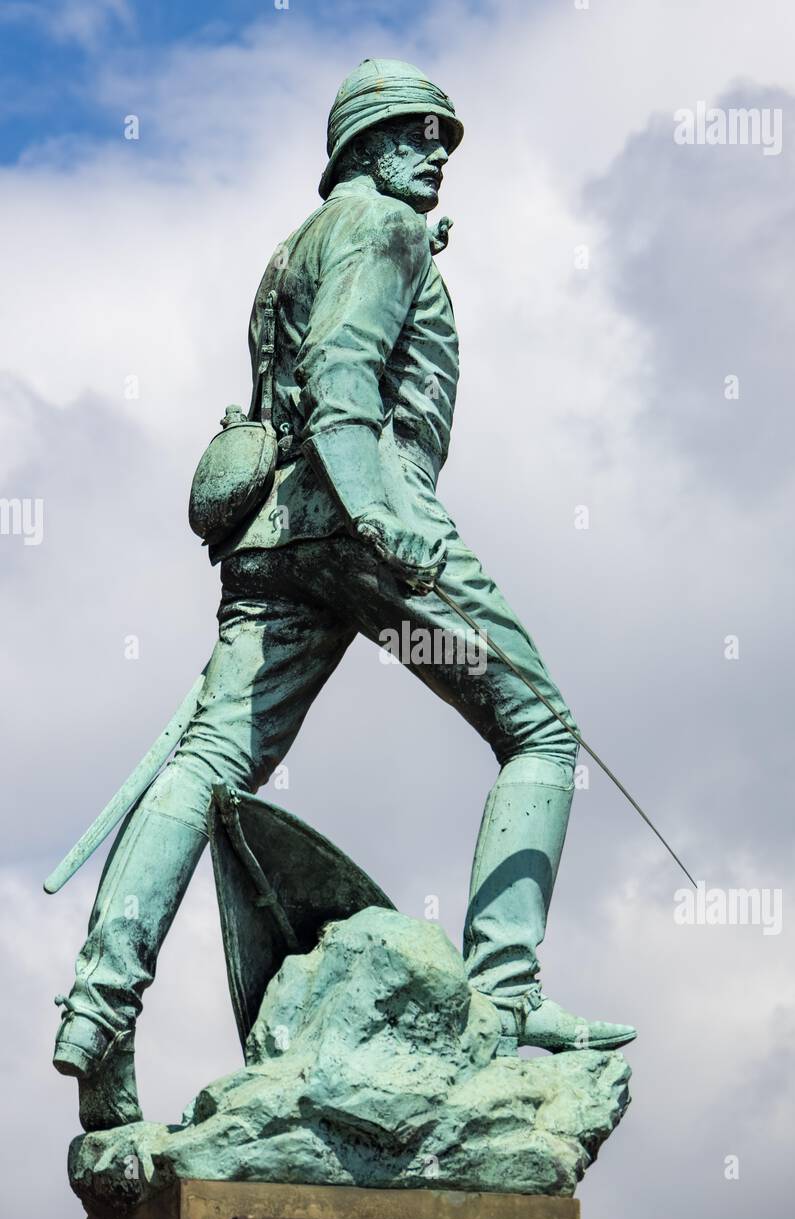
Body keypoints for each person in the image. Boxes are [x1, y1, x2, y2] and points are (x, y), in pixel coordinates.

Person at [53, 58, 636, 1133]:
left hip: (275, 557)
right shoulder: (381, 227)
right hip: (366, 542)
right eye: (418, 136)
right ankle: (504, 996)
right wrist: (382, 515)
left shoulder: (295, 248)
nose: (438, 157)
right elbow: (344, 377)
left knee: (209, 760)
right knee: (541, 736)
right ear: (364, 148)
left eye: (445, 142)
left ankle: (100, 1000)